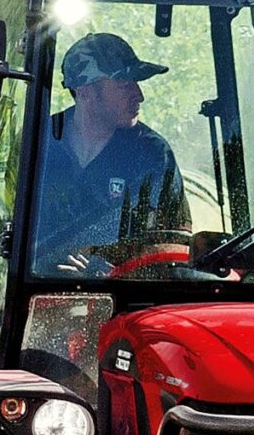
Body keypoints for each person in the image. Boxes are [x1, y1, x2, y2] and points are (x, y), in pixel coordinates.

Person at [37, 32, 192, 274]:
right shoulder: (38, 144)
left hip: (123, 300)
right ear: (85, 92)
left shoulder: (152, 154)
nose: (139, 95)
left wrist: (105, 273)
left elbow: (175, 248)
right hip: (34, 294)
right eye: (123, 85)